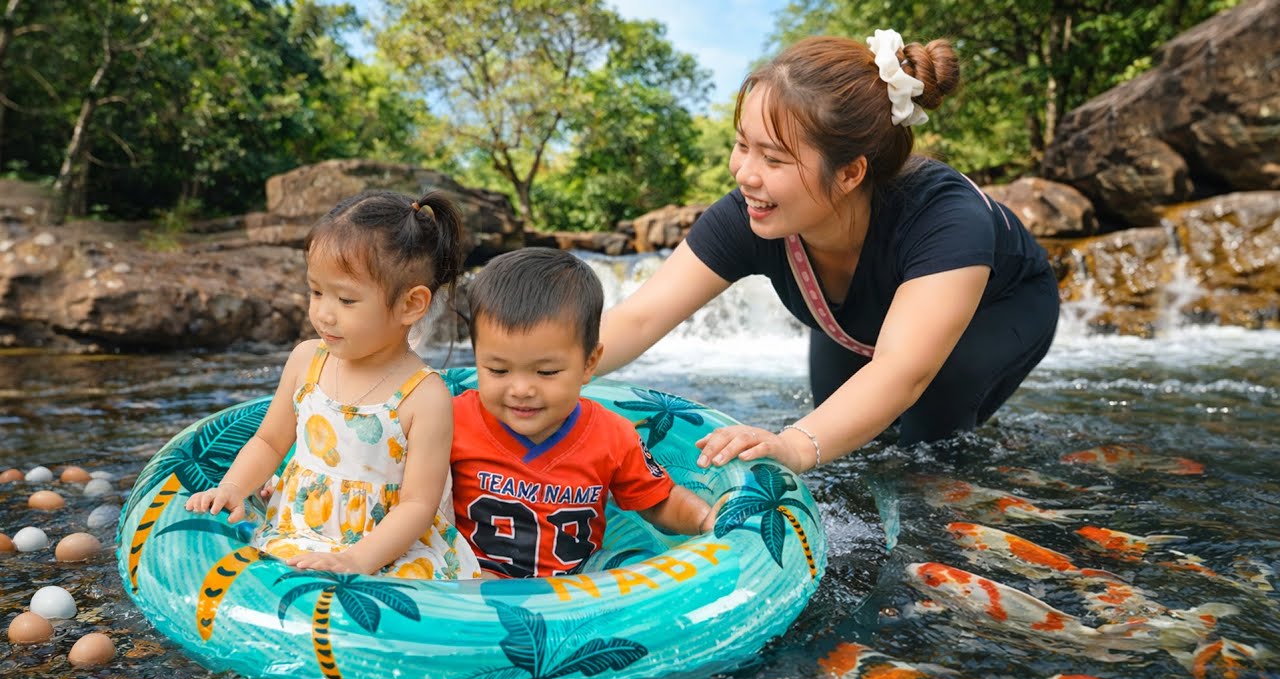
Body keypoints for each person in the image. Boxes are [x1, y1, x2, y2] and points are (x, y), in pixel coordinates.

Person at [598, 31, 1059, 474]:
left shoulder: (946, 219)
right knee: (845, 445)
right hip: (853, 326)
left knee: (925, 449)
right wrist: (543, 372)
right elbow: (639, 318)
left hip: (999, 309)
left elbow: (901, 372)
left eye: (773, 159)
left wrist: (795, 444)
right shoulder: (751, 214)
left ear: (849, 174)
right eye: (742, 146)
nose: (744, 174)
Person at [186, 190, 482, 580]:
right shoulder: (307, 360)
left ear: (410, 305)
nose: (323, 313)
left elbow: (417, 504)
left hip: (384, 547)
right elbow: (270, 442)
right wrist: (233, 487)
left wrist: (357, 560)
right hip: (299, 528)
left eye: (346, 299)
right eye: (316, 292)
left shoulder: (424, 397)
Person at [451, 247, 716, 578]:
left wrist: (706, 519)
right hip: (471, 581)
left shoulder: (613, 435)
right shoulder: (450, 421)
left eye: (546, 372)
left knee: (636, 561)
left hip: (578, 586)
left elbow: (659, 501)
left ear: (590, 362)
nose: (521, 389)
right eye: (498, 370)